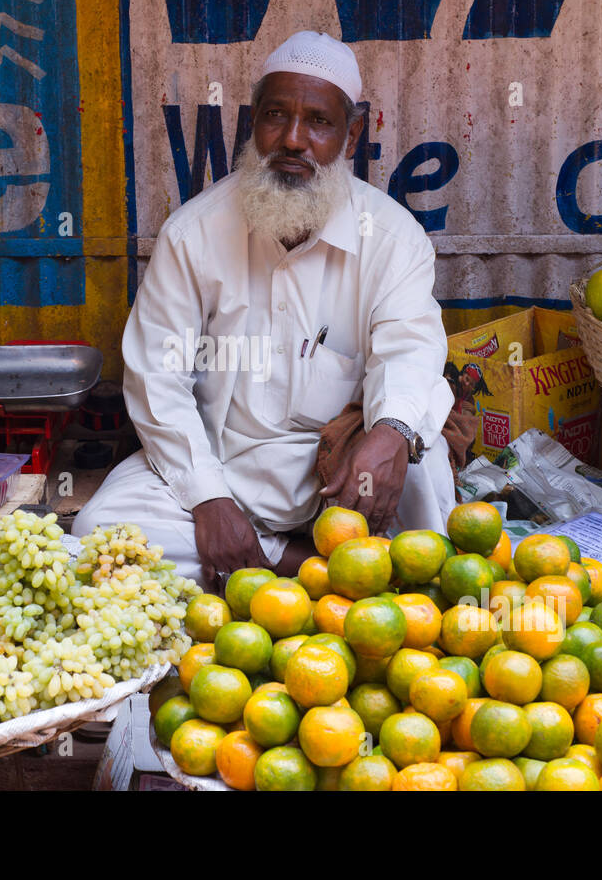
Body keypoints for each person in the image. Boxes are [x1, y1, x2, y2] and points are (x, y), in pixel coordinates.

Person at [73, 31, 456, 588]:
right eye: (276, 115)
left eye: (318, 122)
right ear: (253, 124)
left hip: (345, 470)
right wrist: (208, 500)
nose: (293, 140)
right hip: (226, 465)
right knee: (98, 531)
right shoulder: (193, 234)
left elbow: (410, 350)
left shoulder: (394, 238)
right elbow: (158, 378)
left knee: (423, 479)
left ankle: (286, 569)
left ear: (351, 136)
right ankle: (302, 565)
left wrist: (391, 432)